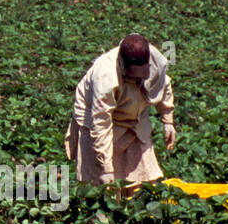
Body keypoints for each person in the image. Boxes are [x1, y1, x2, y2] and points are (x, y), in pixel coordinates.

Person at [65, 34, 176, 198]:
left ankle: (135, 211)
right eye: (135, 77)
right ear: (125, 67)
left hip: (135, 119)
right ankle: (103, 218)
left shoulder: (155, 61)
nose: (140, 80)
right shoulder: (105, 76)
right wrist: (106, 168)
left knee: (145, 179)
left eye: (142, 76)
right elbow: (101, 123)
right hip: (98, 121)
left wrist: (168, 121)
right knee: (102, 186)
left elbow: (163, 86)